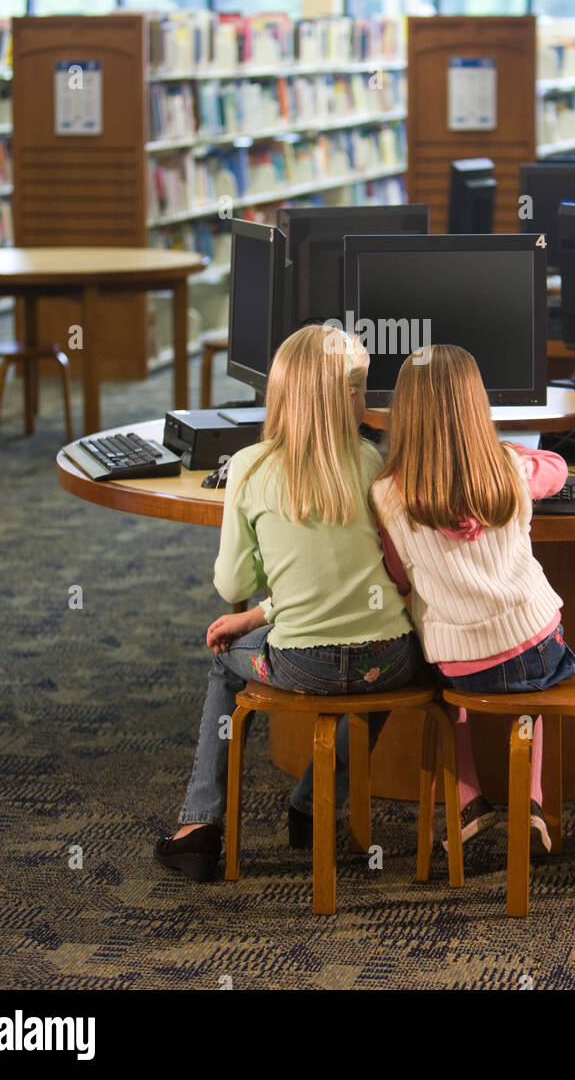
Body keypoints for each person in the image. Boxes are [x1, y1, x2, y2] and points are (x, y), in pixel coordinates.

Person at [155, 324, 419, 882]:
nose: (367, 403)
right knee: (377, 680)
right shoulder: (373, 463)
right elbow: (359, 575)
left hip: (300, 660)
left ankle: (200, 825)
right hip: (390, 660)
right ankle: (311, 806)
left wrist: (255, 608)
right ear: (346, 398)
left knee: (224, 664)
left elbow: (231, 585)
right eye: (362, 391)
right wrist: (267, 610)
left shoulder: (250, 466)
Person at [370, 343, 575, 853]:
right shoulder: (509, 468)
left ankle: (467, 803)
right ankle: (530, 804)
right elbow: (558, 466)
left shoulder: (386, 493)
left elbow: (398, 578)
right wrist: (507, 453)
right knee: (534, 687)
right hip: (534, 643)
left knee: (446, 692)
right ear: (476, 406)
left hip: (460, 661)